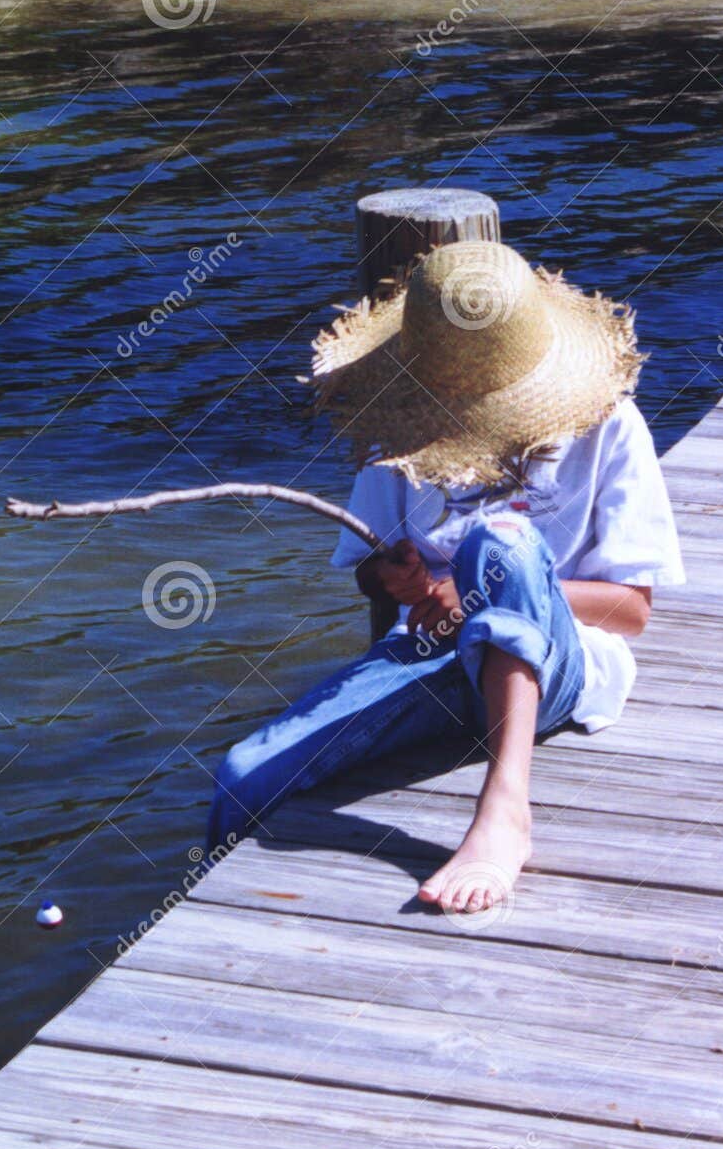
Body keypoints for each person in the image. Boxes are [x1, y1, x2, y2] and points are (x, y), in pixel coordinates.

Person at [207, 240, 684, 913]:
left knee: (503, 539)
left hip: (559, 667)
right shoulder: (396, 428)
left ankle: (505, 806)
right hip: (430, 660)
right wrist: (393, 578)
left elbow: (631, 610)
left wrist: (486, 591)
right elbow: (369, 577)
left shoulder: (609, 425)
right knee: (241, 779)